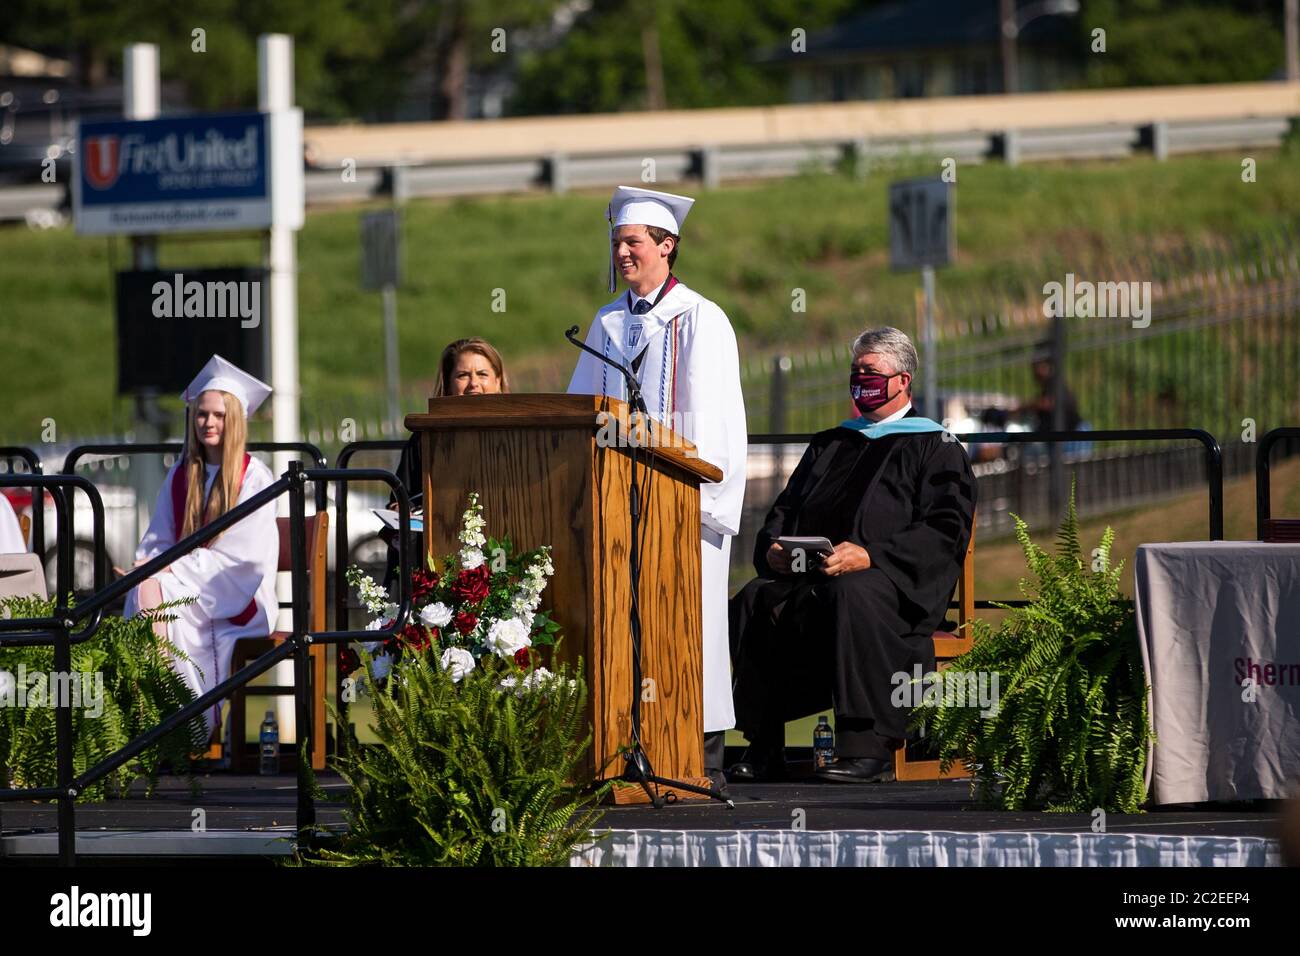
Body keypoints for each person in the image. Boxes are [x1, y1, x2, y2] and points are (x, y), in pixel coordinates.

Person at [728, 327, 976, 783]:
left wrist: (871, 555)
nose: (861, 380)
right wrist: (776, 551)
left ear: (903, 380)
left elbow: (946, 529)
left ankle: (866, 745)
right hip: (812, 580)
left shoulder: (934, 446)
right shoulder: (831, 443)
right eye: (856, 371)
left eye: (872, 372)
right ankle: (763, 743)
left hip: (889, 585)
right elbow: (781, 514)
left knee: (851, 592)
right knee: (757, 596)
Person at [566, 185, 747, 791]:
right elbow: (579, 410)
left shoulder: (702, 319)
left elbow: (716, 424)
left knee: (688, 627)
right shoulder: (606, 322)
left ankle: (698, 753)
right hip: (618, 507)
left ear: (667, 246)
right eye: (617, 241)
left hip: (680, 507)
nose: (621, 252)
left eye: (632, 241)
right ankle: (624, 747)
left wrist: (702, 498)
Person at [123, 355, 279, 740]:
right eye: (201, 415)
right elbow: (159, 538)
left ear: (235, 421)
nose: (208, 423)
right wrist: (152, 566)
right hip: (188, 585)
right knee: (143, 590)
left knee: (153, 591)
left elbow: (244, 560)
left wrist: (167, 571)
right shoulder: (182, 473)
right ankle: (163, 712)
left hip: (236, 595)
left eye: (219, 416)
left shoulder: (255, 477)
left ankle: (187, 723)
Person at [383, 337, 510, 590]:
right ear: (449, 385)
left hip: (503, 552)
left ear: (498, 381)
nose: (474, 384)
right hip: (441, 556)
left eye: (483, 374)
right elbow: (400, 500)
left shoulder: (519, 435)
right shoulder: (425, 438)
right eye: (463, 375)